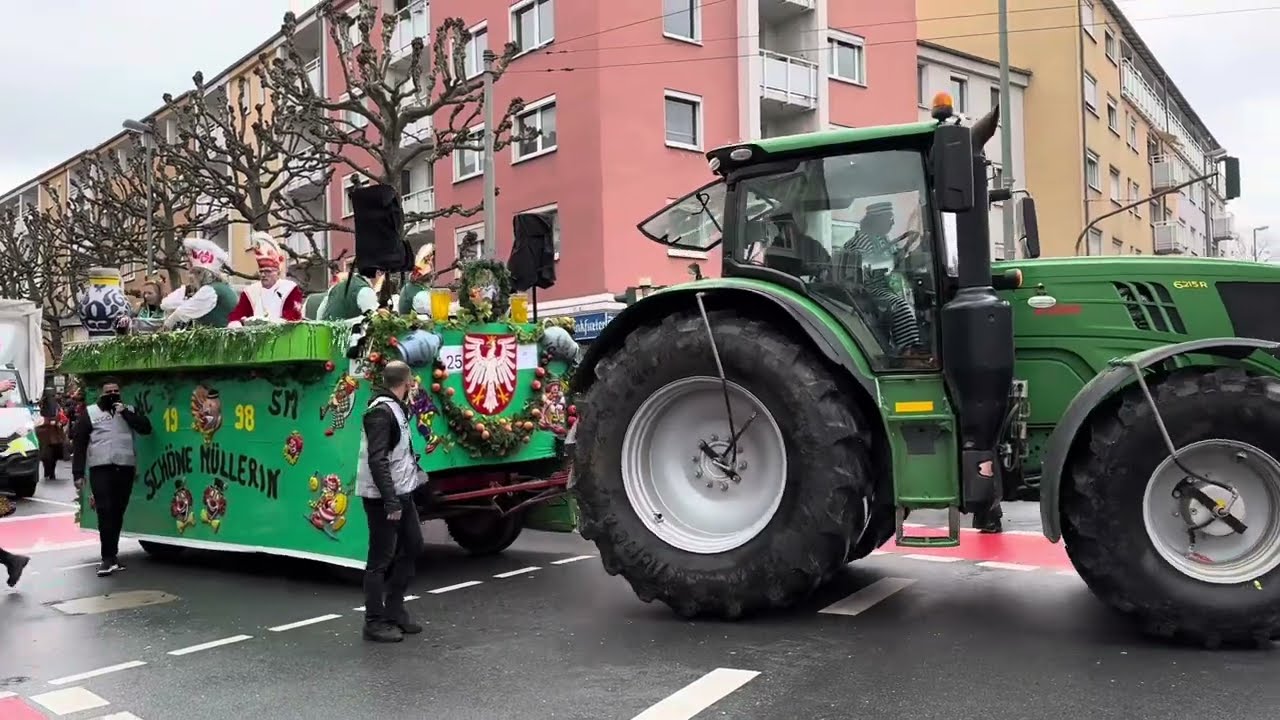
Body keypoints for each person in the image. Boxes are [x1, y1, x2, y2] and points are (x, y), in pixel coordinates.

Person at [355, 360, 424, 643]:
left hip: (402, 492)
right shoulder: (381, 413)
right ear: (406, 383)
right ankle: (373, 621)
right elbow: (377, 459)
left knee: (413, 546)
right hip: (382, 498)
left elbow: (397, 452)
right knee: (380, 559)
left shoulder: (396, 407)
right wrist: (390, 501)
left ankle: (395, 609)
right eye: (412, 382)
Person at [71, 376, 153, 577]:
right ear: (101, 393)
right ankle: (106, 558)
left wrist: (124, 412)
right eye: (108, 392)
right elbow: (79, 443)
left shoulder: (128, 411)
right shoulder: (90, 413)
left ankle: (112, 556)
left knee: (117, 512)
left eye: (116, 391)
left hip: (124, 468)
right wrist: (78, 473)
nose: (112, 395)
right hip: (101, 469)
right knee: (104, 510)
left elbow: (145, 428)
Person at [839, 202, 926, 358]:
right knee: (901, 307)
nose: (892, 222)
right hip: (869, 287)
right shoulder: (864, 241)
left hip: (884, 285)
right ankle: (907, 351)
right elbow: (865, 267)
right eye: (890, 218)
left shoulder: (882, 239)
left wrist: (908, 245)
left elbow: (895, 260)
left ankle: (913, 347)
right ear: (877, 220)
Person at [228, 233, 305, 326]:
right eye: (261, 272)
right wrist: (237, 322)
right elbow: (238, 313)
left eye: (268, 271)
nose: (263, 275)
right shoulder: (251, 291)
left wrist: (275, 322)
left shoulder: (290, 288)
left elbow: (294, 314)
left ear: (277, 272)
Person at [162, 237, 239, 329]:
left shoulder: (210, 290)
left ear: (201, 274)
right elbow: (166, 305)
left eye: (194, 273)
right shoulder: (223, 287)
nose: (191, 277)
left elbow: (183, 312)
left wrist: (166, 326)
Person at [35, 387, 67, 483]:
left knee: (55, 454)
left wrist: (60, 423)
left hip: (55, 434)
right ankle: (47, 471)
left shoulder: (57, 406)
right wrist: (45, 422)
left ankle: (51, 471)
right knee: (46, 455)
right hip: (43, 434)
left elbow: (63, 417)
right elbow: (36, 419)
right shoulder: (40, 406)